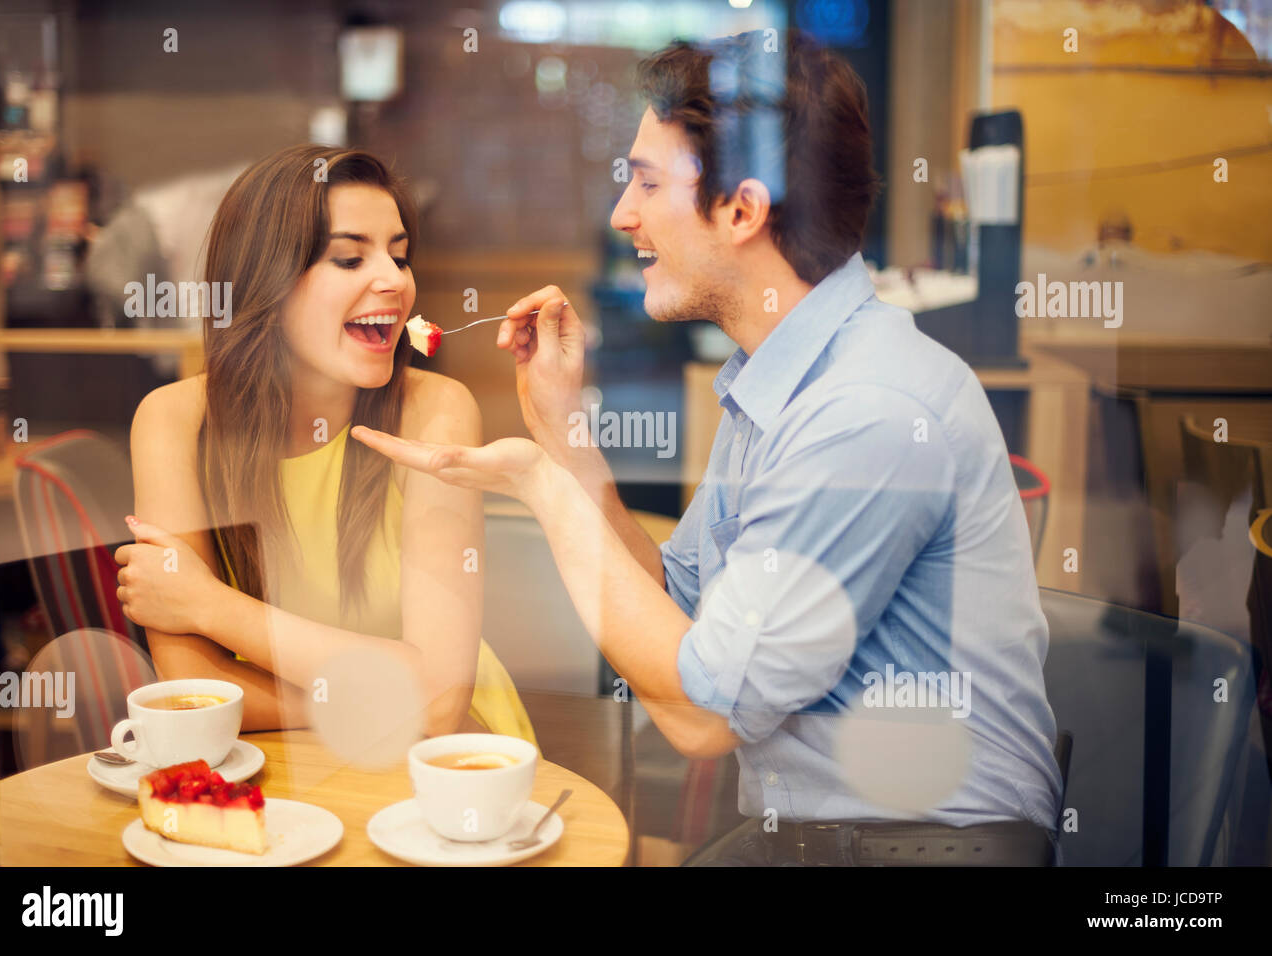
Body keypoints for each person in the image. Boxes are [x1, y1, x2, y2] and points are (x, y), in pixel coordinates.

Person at [352, 32, 1061, 865]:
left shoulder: (865, 412)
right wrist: (567, 436)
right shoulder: (778, 378)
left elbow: (702, 714)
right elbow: (675, 605)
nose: (624, 215)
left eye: (648, 182)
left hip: (931, 850)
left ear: (742, 209)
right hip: (813, 839)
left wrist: (544, 488)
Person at [113, 145, 535, 745]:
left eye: (399, 256)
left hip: (443, 758)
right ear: (267, 280)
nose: (393, 280)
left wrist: (209, 605)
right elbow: (190, 690)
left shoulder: (435, 410)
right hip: (272, 761)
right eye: (348, 258)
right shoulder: (173, 420)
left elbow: (442, 704)